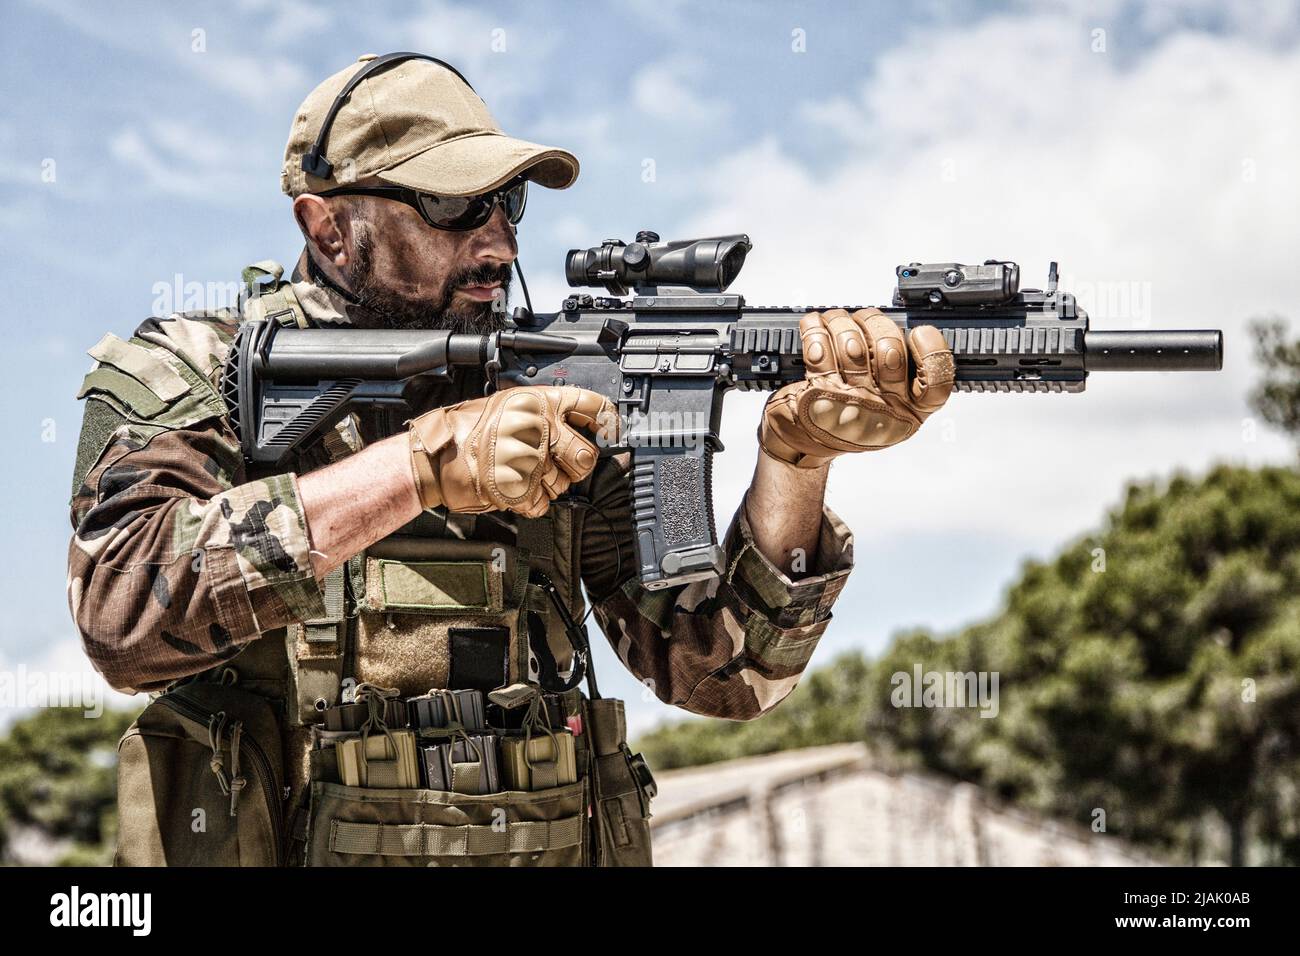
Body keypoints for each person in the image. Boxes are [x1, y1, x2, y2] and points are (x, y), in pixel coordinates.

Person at [66, 53, 955, 867]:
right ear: (329, 228)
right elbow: (121, 610)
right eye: (453, 207)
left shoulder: (557, 389)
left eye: (509, 204)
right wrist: (421, 467)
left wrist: (795, 464)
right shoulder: (196, 368)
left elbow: (719, 676)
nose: (500, 244)